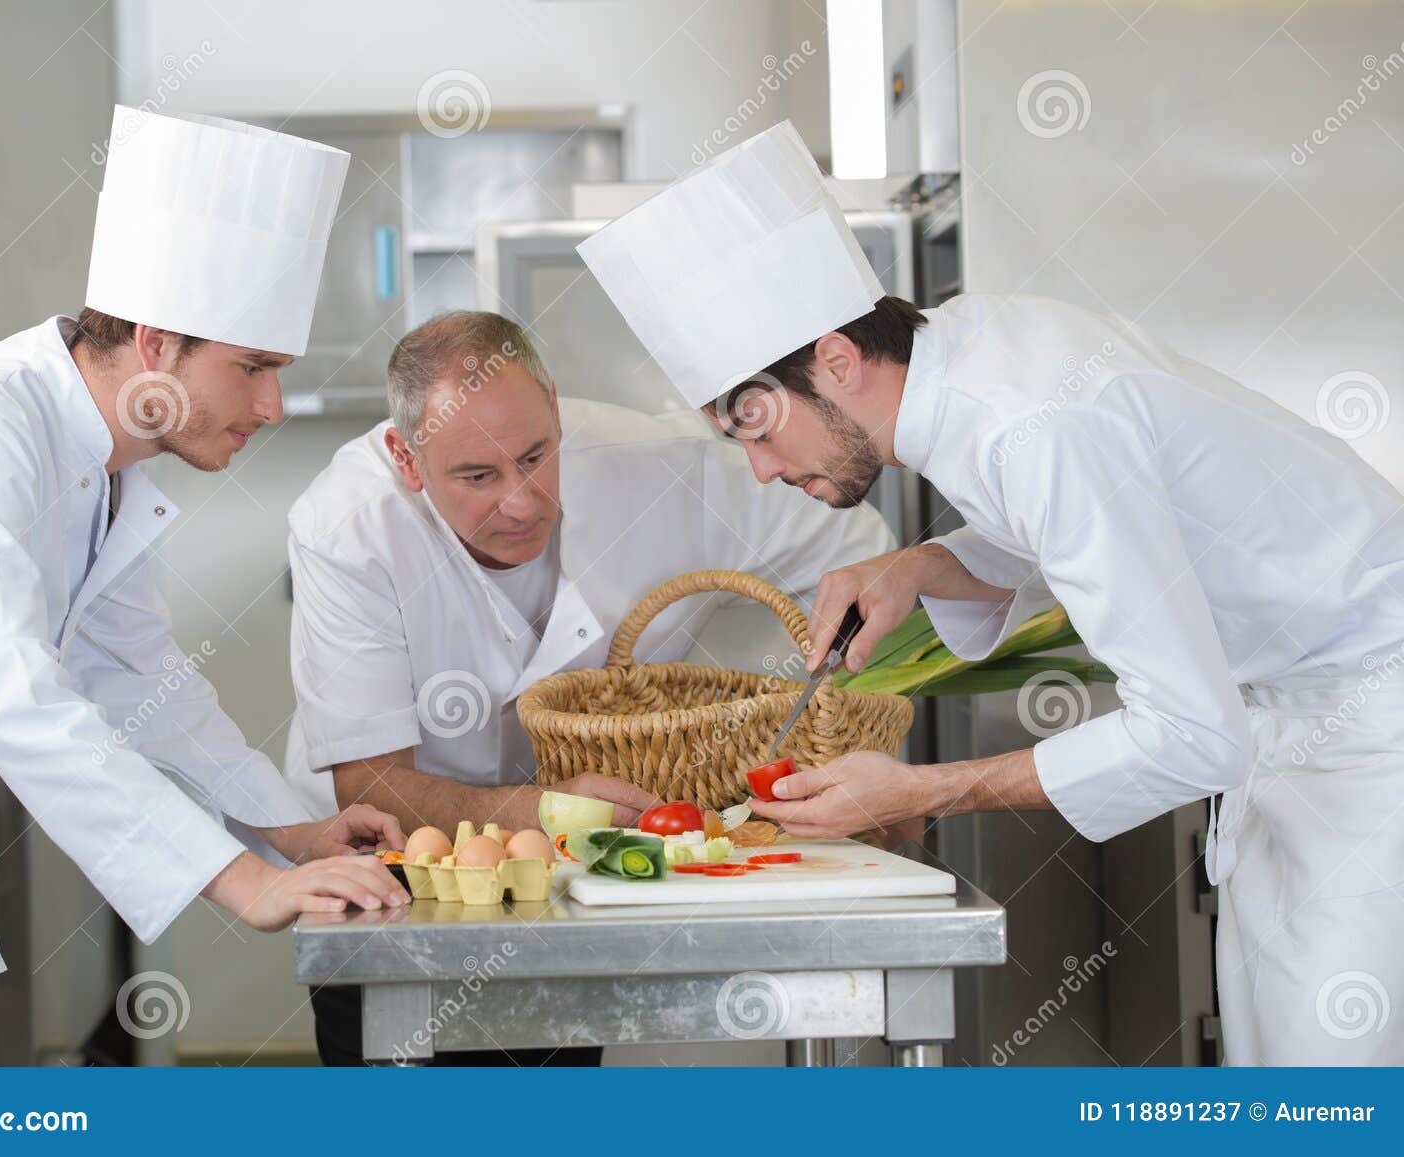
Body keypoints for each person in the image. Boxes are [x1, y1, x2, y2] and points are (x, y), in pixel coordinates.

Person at [579, 119, 1404, 1065]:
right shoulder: (967, 351)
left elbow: (1190, 734)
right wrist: (921, 567)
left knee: (1336, 1080)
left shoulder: (1028, 422)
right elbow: (1064, 527)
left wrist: (924, 787)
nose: (762, 470)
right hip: (1291, 719)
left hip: (1374, 726)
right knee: (1275, 1068)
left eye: (758, 429)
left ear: (835, 360)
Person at [0, 106, 408, 1067]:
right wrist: (244, 879)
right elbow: (22, 702)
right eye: (253, 368)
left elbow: (135, 679)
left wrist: (291, 826)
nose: (271, 406)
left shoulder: (108, 466)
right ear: (158, 342)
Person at [284, 309, 898, 1063]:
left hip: (575, 885)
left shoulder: (665, 468)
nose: (521, 500)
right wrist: (555, 807)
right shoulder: (346, 527)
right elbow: (371, 782)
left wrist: (821, 708)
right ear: (406, 461)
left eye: (536, 456)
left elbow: (861, 559)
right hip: (391, 874)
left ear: (553, 401)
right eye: (477, 476)